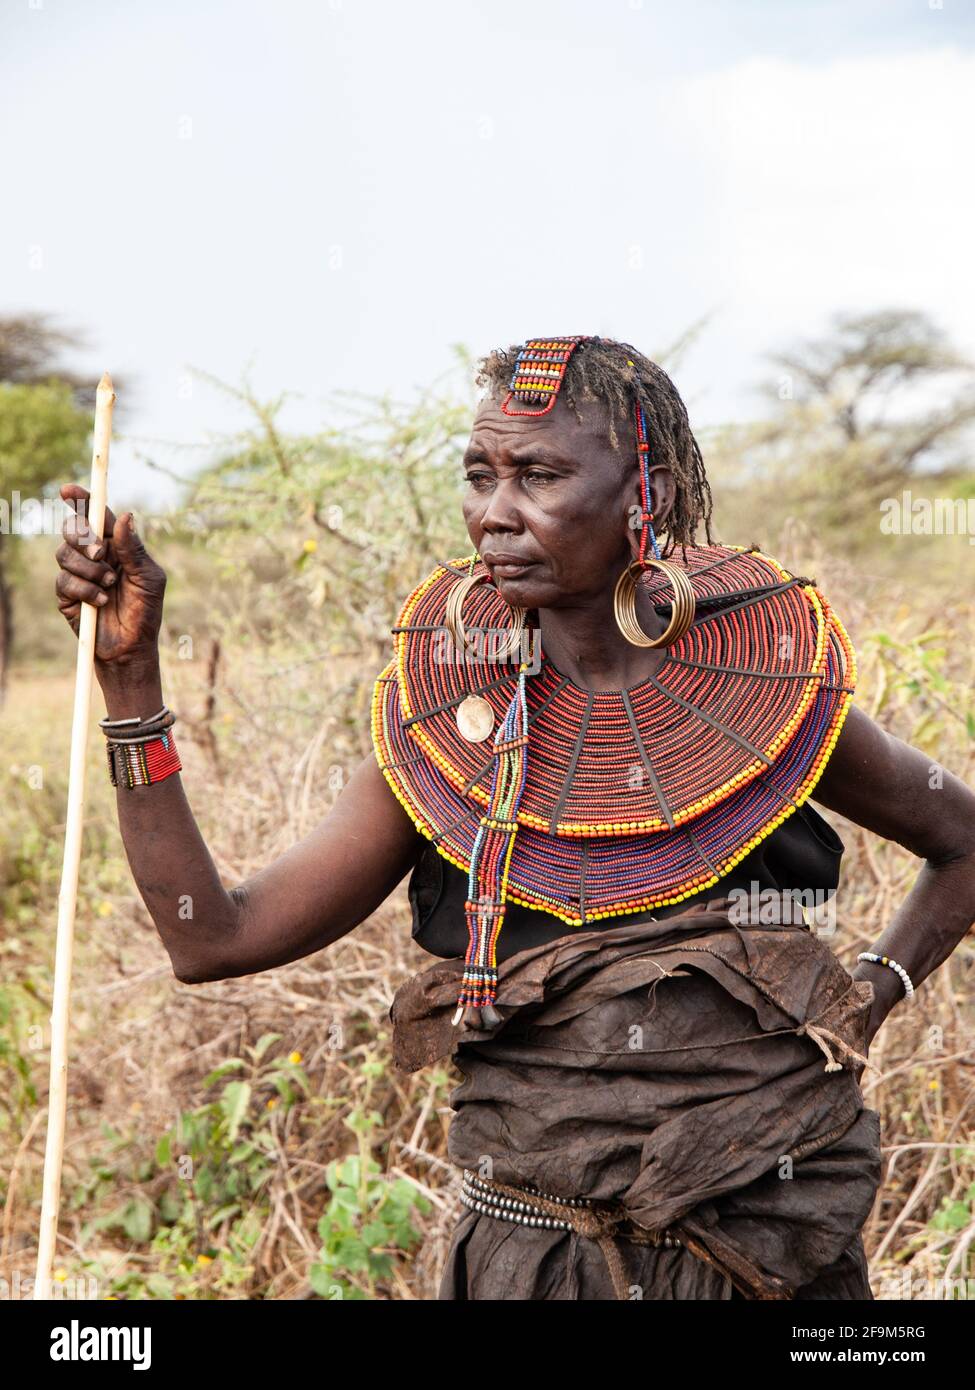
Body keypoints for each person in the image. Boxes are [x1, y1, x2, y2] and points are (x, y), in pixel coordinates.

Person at [54, 335, 975, 1301]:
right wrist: (130, 678)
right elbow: (214, 938)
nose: (495, 513)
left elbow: (963, 844)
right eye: (478, 474)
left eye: (537, 475)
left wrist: (871, 997)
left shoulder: (758, 695)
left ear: (642, 496)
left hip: (770, 1253)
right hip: (536, 1262)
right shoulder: (450, 731)